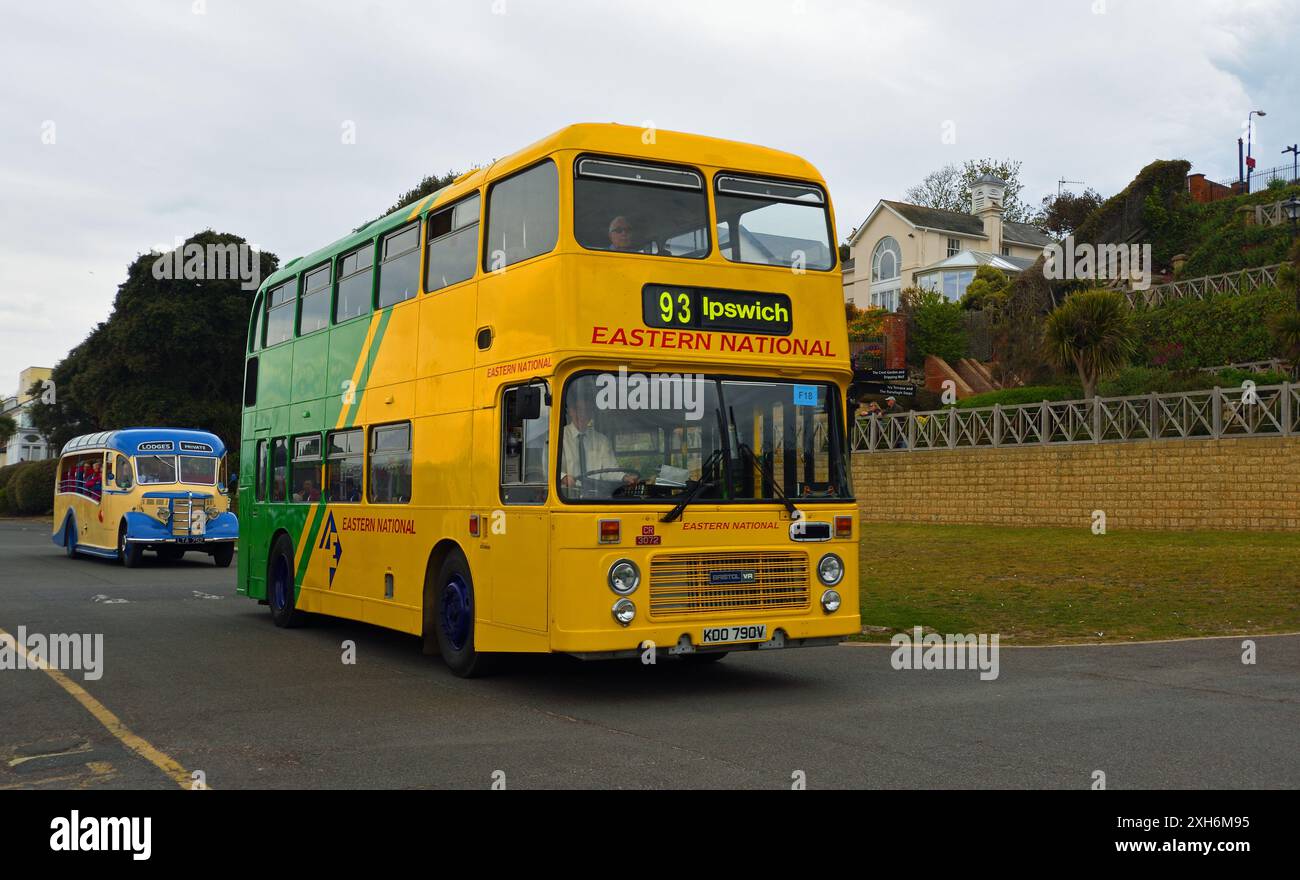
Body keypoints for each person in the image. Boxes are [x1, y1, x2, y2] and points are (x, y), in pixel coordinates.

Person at [560, 393, 635, 495]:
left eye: (587, 411)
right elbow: (548, 469)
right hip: (566, 497)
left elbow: (610, 470)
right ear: (570, 411)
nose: (582, 415)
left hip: (596, 497)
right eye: (578, 410)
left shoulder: (602, 441)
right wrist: (563, 477)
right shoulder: (558, 437)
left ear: (591, 414)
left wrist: (624, 477)